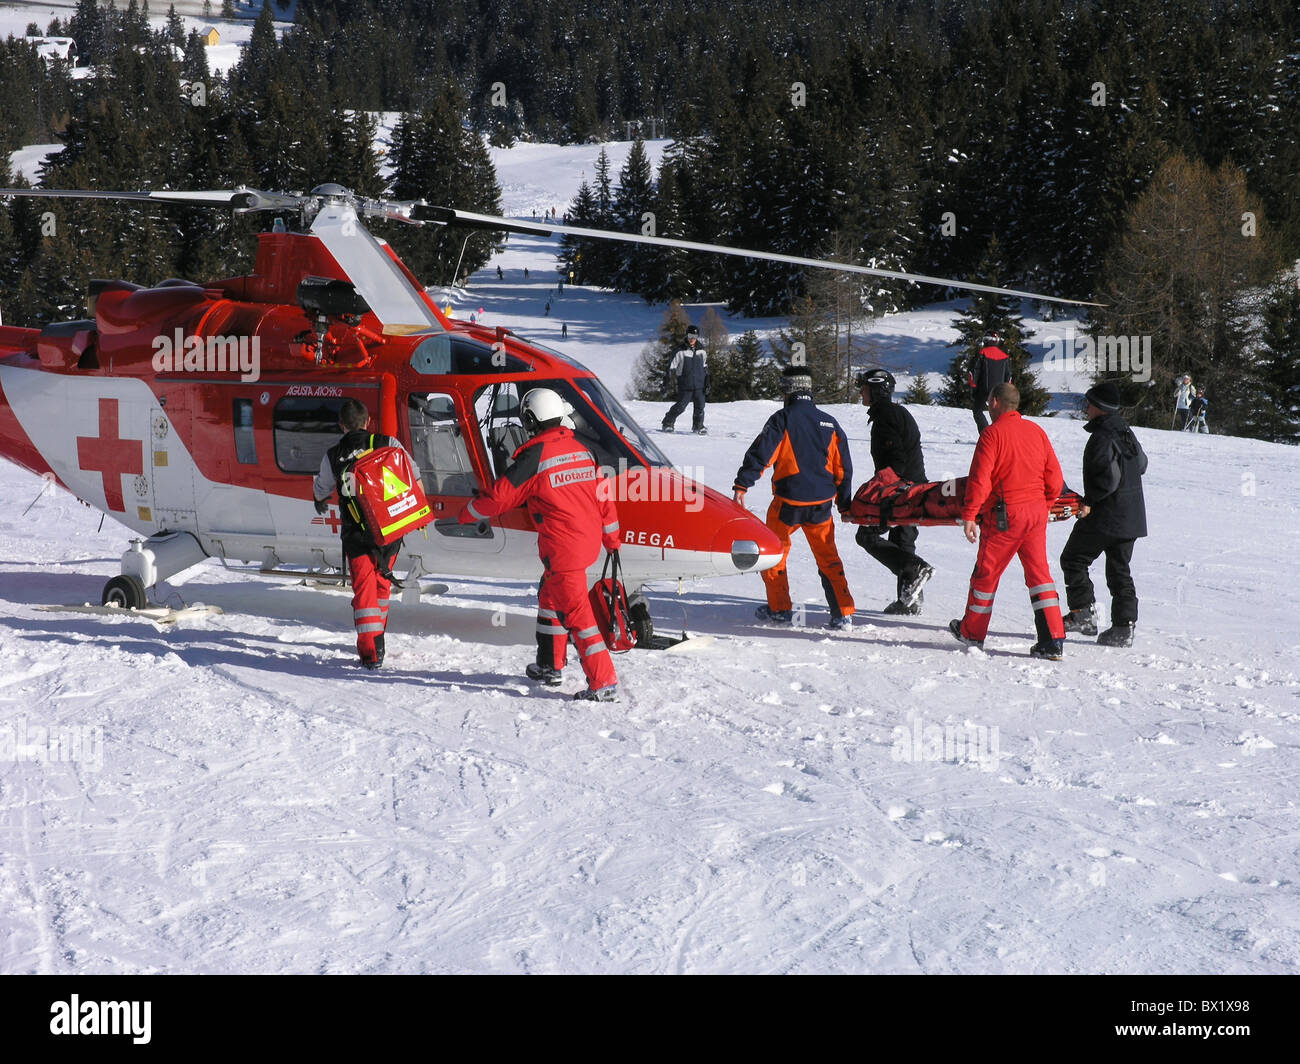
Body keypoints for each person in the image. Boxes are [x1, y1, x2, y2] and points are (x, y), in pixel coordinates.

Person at [459, 388, 622, 701]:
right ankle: (550, 665)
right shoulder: (581, 448)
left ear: (530, 419)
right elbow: (604, 498)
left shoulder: (534, 457)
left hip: (564, 550)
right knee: (550, 596)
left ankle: (604, 682)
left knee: (578, 617)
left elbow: (499, 498)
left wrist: (466, 514)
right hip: (587, 543)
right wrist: (612, 539)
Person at [949, 382, 1067, 659]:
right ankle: (1052, 641)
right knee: (1040, 577)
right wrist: (1044, 505)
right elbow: (1055, 478)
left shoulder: (992, 434)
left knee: (986, 574)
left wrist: (969, 515)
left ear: (994, 403)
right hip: (1036, 513)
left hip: (1005, 516)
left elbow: (980, 479)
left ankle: (972, 632)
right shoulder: (1037, 431)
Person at [733, 366, 855, 629]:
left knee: (774, 553)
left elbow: (762, 454)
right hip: (821, 505)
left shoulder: (782, 419)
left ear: (789, 391)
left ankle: (780, 609)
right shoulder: (830, 422)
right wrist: (844, 504)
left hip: (788, 504)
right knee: (828, 557)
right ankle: (843, 612)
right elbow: (843, 468)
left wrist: (743, 484)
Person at [313, 398, 418, 670]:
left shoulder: (333, 455)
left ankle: (371, 652)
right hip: (389, 532)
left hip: (356, 536)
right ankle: (378, 638)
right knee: (382, 585)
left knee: (364, 591)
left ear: (341, 425)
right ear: (368, 422)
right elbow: (413, 476)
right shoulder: (389, 444)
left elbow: (322, 488)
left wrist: (319, 499)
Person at [1060, 381, 1148, 648]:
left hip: (1106, 514)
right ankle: (1124, 627)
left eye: (1089, 403)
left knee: (1074, 558)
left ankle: (1083, 614)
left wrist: (1089, 502)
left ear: (1099, 407)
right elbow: (1142, 464)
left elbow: (1109, 479)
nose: (1086, 408)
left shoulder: (1102, 436)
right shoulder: (1124, 431)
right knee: (1119, 570)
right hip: (1132, 516)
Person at [853, 368, 935, 614]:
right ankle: (909, 601)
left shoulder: (886, 416)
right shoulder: (895, 412)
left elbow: (895, 461)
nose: (860, 392)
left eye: (864, 388)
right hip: (914, 487)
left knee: (866, 535)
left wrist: (876, 490)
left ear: (876, 390)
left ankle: (914, 569)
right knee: (902, 540)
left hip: (902, 491)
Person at [661, 324, 710, 434]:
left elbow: (705, 368)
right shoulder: (680, 351)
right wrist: (666, 383)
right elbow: (671, 368)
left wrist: (707, 382)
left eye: (695, 336)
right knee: (680, 407)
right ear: (687, 335)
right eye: (690, 335)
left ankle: (698, 426)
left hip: (699, 385)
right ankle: (668, 423)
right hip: (685, 384)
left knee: (700, 407)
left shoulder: (702, 351)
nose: (692, 338)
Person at [968, 332, 1011, 436]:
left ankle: (986, 435)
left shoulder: (981, 354)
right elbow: (1008, 376)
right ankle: (1002, 436)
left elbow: (973, 372)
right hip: (1000, 392)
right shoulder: (1005, 356)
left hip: (983, 390)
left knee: (977, 411)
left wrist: (973, 387)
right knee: (1000, 415)